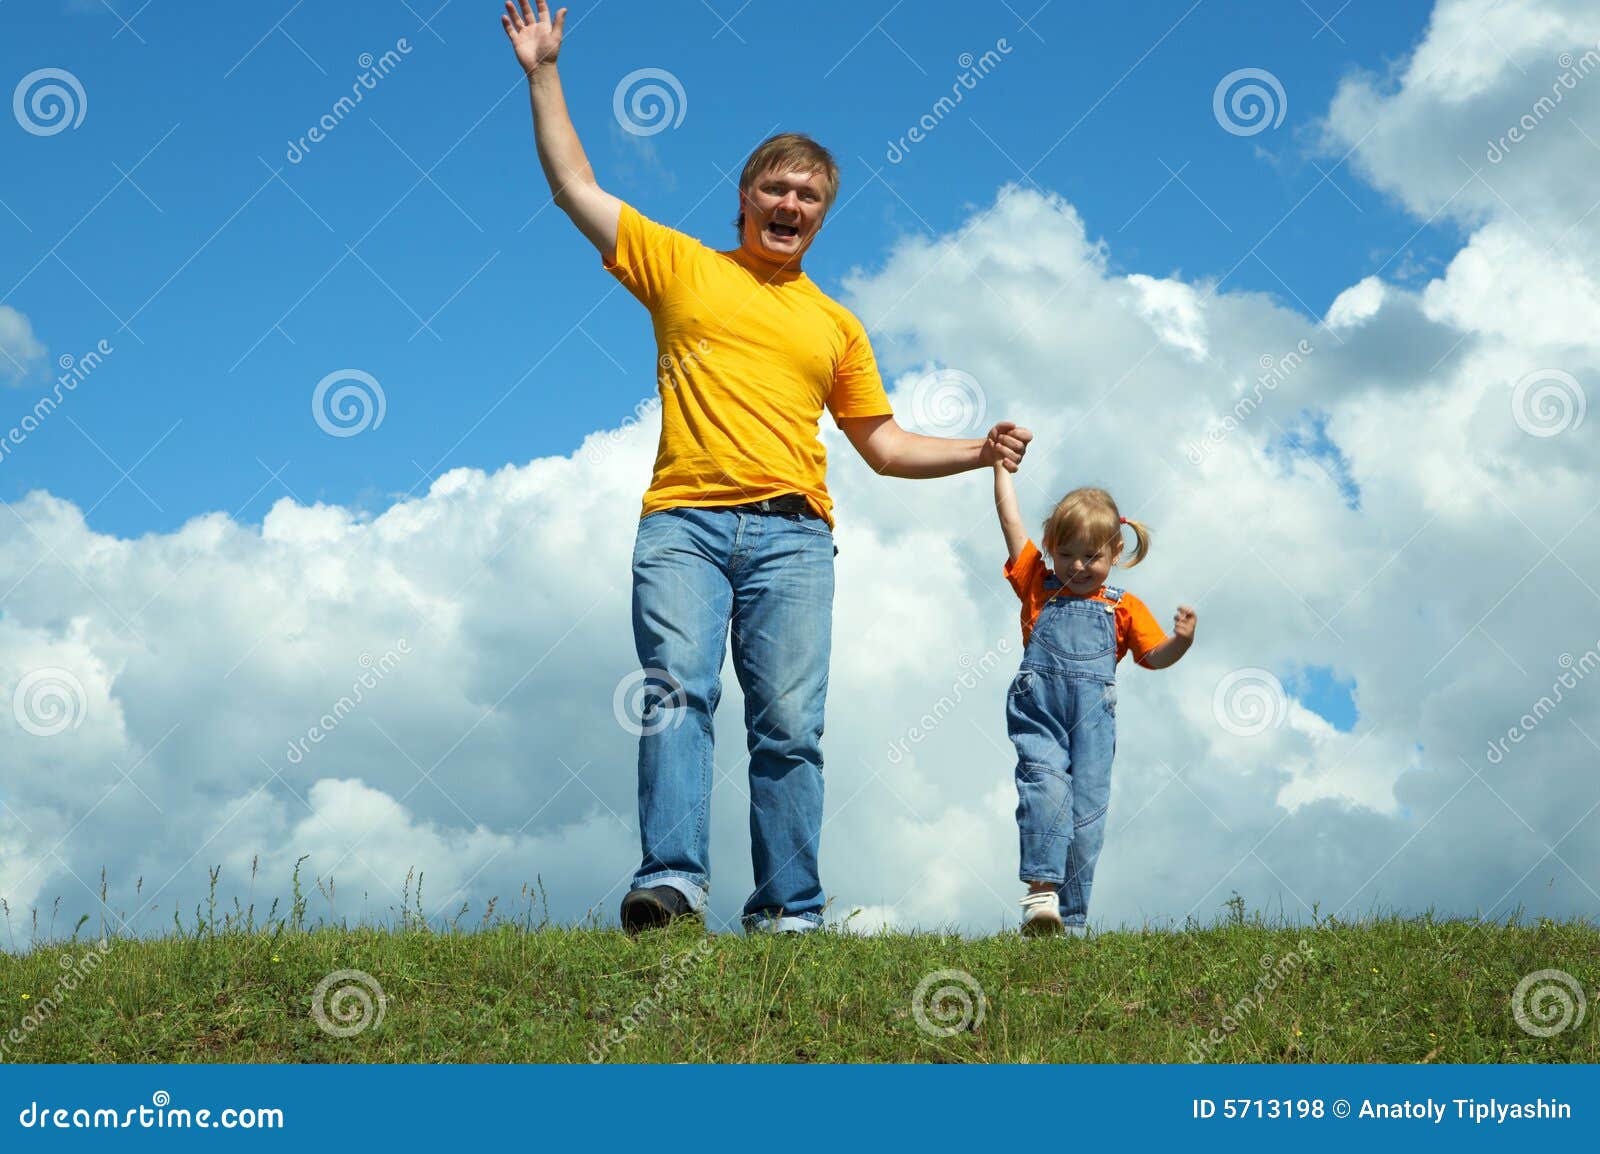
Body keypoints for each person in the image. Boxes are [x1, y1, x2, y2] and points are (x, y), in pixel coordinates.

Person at [502, 1, 1034, 933]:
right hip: (684, 528)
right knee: (676, 694)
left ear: (823, 215)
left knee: (789, 730)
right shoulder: (680, 267)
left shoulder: (834, 324)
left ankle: (789, 912)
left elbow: (881, 443)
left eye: (809, 197)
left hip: (796, 538)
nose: (790, 206)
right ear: (744, 198)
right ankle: (671, 885)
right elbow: (574, 186)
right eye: (775, 190)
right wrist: (543, 72)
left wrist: (974, 451)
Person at [992, 466, 1196, 936]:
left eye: (1091, 557)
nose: (1077, 567)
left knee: (1087, 815)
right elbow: (1009, 521)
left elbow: (1154, 655)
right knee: (1044, 788)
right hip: (1039, 710)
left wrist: (1181, 642)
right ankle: (1041, 895)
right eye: (1065, 555)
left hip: (1093, 724)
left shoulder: (1123, 606)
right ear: (1049, 550)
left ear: (1115, 553)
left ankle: (1072, 920)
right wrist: (1000, 471)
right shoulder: (1035, 584)